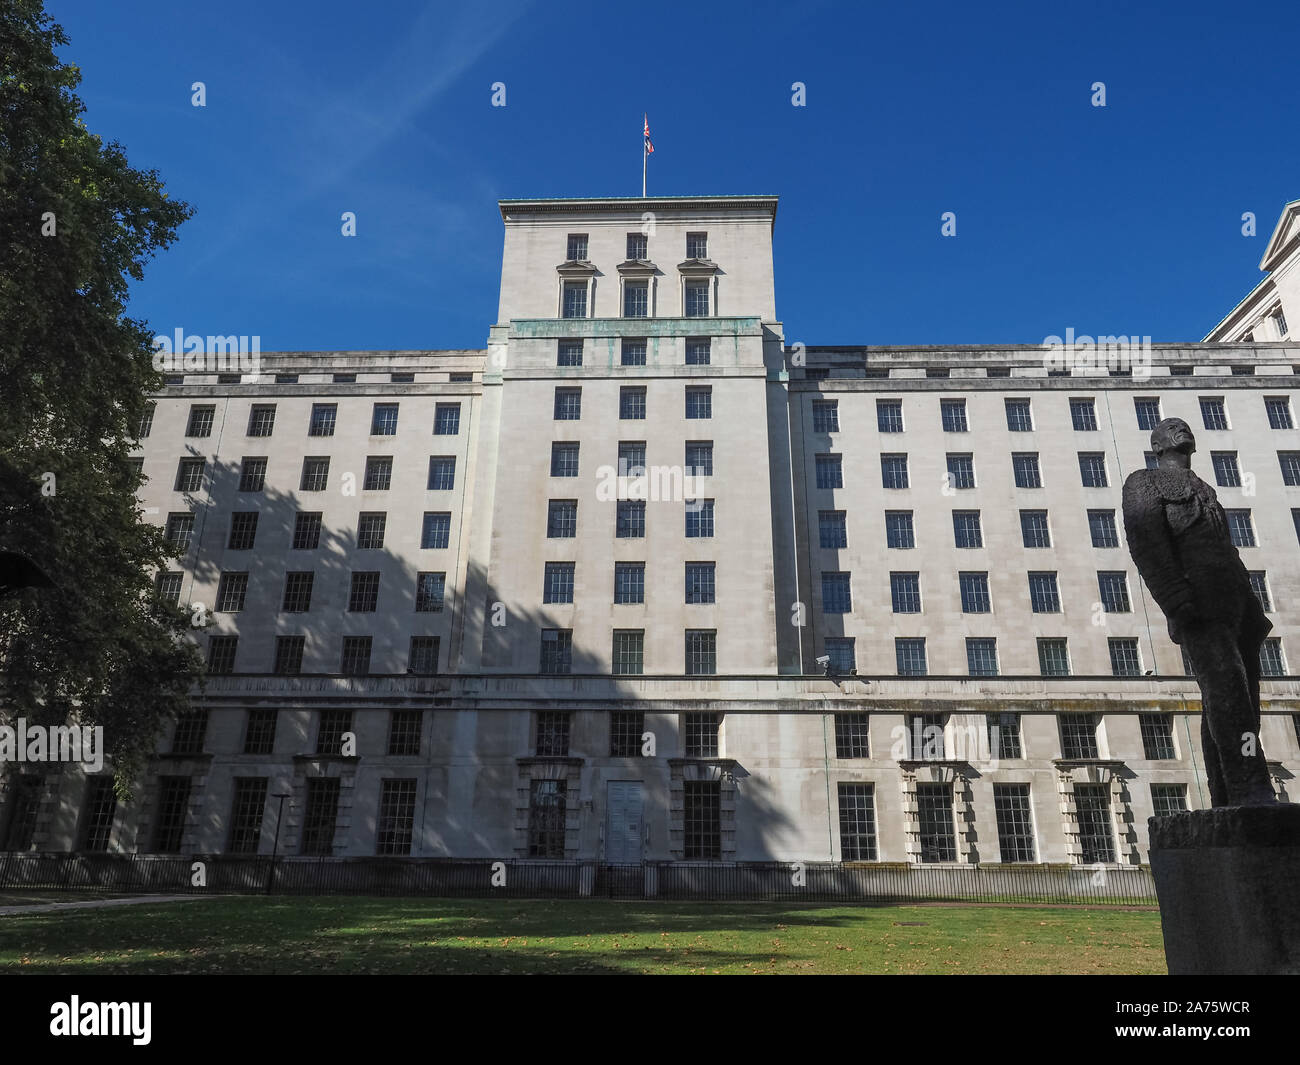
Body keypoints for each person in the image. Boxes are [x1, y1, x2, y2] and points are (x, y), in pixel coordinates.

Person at [1122, 417, 1276, 807]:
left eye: (1185, 426)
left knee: (1235, 699)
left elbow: (1227, 549)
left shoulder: (1205, 488)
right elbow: (1147, 543)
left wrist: (1252, 606)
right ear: (1157, 446)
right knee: (1227, 689)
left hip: (1237, 606)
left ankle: (1226, 794)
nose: (1180, 430)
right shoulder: (1144, 482)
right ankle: (1250, 784)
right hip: (1197, 604)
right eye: (1170, 428)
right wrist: (1175, 599)